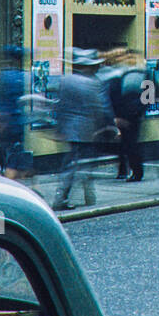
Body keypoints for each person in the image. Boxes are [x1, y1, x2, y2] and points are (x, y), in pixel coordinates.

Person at [52, 48, 115, 211]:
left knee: (70, 163)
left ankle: (67, 195)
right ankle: (81, 197)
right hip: (88, 130)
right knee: (85, 163)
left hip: (69, 129)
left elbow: (59, 106)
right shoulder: (94, 83)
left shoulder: (66, 80)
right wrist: (109, 126)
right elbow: (102, 108)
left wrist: (59, 128)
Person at [0, 46, 28, 175]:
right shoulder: (21, 76)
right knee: (14, 153)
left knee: (4, 150)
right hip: (15, 120)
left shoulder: (1, 76)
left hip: (3, 120)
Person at [109, 49, 148, 182]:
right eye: (127, 57)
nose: (129, 59)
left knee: (131, 144)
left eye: (132, 57)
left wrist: (138, 112)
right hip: (119, 114)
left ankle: (137, 172)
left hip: (133, 116)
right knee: (123, 144)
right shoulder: (119, 74)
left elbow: (149, 96)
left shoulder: (144, 74)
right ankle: (123, 169)